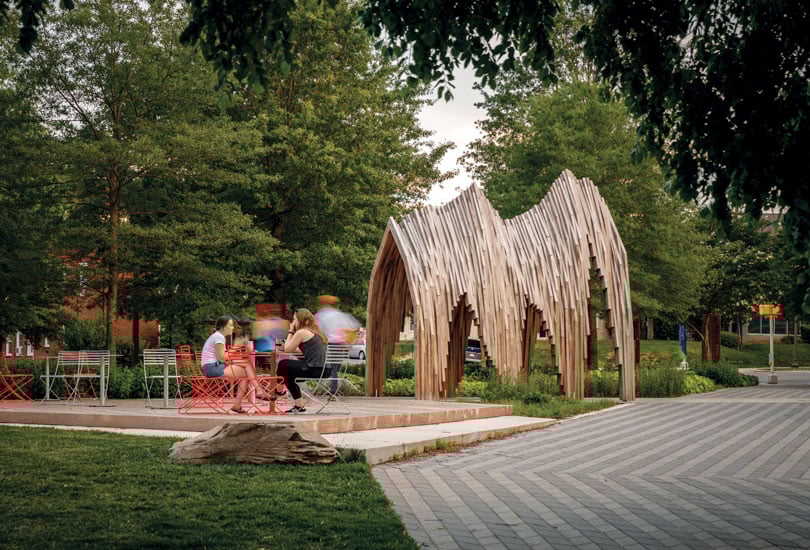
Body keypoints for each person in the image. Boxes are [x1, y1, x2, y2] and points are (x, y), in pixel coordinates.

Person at [201, 317, 271, 414]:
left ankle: (238, 405)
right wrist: (236, 347)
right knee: (246, 365)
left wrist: (234, 358)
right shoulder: (218, 337)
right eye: (230, 325)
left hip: (213, 366)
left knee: (246, 372)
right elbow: (222, 358)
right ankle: (259, 391)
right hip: (212, 368)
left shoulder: (217, 336)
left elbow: (222, 358)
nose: (233, 327)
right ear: (223, 327)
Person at [277, 308, 327, 413]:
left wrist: (290, 331)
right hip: (324, 369)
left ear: (300, 320)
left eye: (294, 319)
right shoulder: (317, 333)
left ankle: (278, 391)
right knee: (287, 374)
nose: (293, 322)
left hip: (314, 369)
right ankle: (299, 406)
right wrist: (290, 346)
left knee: (283, 364)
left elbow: (287, 349)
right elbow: (302, 352)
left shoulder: (302, 332)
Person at [315, 295, 361, 392]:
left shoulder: (320, 315)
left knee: (322, 367)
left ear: (322, 303)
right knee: (334, 369)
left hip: (327, 345)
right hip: (340, 346)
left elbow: (315, 330)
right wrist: (350, 341)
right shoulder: (340, 315)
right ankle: (333, 389)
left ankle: (330, 389)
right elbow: (356, 327)